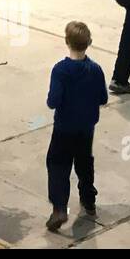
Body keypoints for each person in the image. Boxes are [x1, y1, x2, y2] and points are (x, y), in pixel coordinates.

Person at [44, 21, 107, 231]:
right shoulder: (96, 70)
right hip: (86, 128)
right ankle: (88, 199)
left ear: (66, 41)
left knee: (58, 165)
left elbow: (53, 101)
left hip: (64, 128)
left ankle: (60, 207)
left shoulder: (61, 70)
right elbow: (103, 98)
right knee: (84, 163)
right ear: (89, 43)